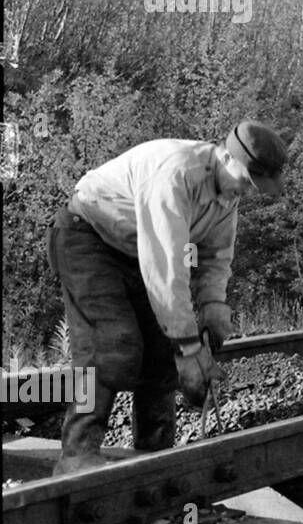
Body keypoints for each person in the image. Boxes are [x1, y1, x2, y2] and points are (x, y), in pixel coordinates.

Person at [47, 121, 288, 474]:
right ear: (228, 159)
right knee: (112, 343)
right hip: (86, 238)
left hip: (134, 252)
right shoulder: (176, 174)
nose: (248, 193)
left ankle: (154, 458)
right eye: (249, 183)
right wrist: (191, 349)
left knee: (163, 353)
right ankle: (76, 454)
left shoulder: (227, 195)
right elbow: (166, 267)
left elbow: (214, 257)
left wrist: (213, 306)